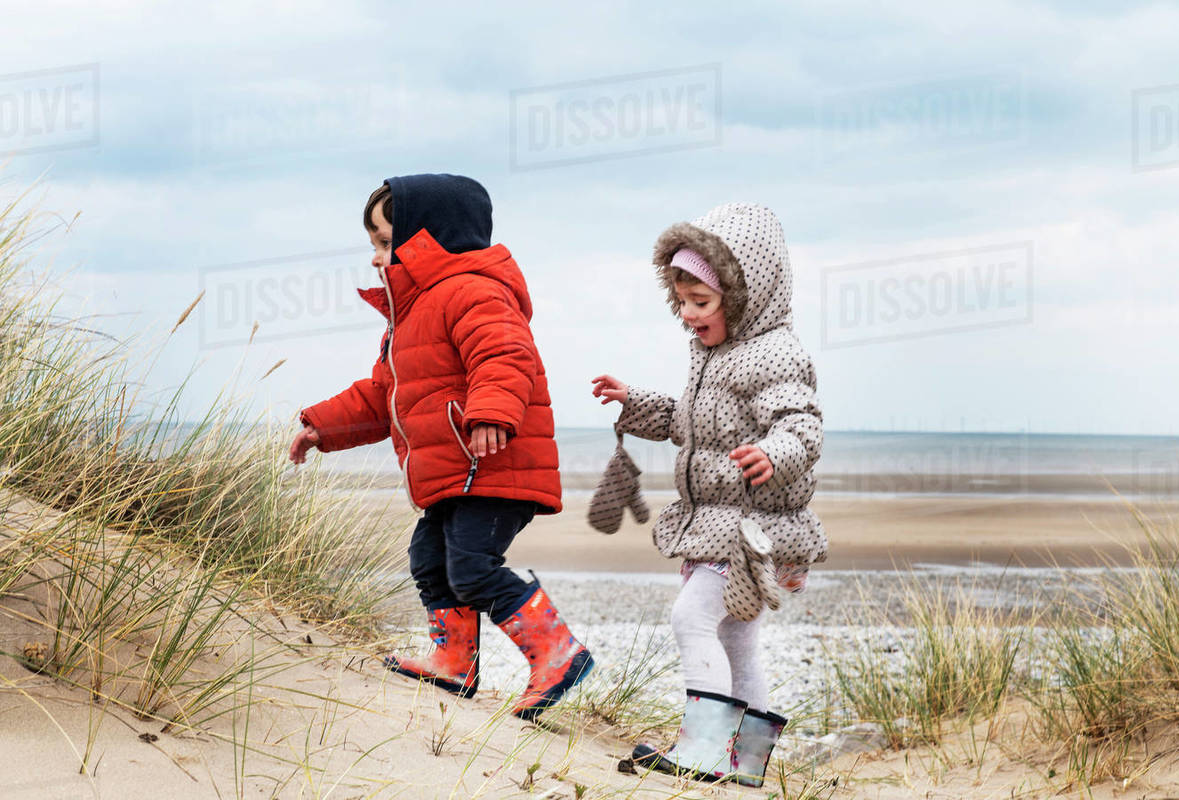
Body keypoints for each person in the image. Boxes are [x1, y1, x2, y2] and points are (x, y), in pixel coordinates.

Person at [291, 174, 593, 720]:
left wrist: (492, 412)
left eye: (387, 242)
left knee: (472, 567)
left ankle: (555, 649)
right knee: (429, 559)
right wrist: (323, 427)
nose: (378, 258)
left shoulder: (472, 289)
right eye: (374, 246)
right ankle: (453, 660)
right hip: (456, 472)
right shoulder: (408, 318)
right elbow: (384, 394)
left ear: (429, 238)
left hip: (493, 462)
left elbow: (505, 354)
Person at [591, 202, 826, 786]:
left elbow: (803, 427)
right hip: (719, 524)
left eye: (702, 302)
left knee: (692, 619)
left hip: (751, 531)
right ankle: (745, 763)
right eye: (681, 303)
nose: (688, 316)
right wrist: (637, 403)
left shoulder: (774, 354)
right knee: (737, 638)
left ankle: (703, 748)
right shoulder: (713, 355)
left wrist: (773, 453)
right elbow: (692, 423)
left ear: (744, 295)